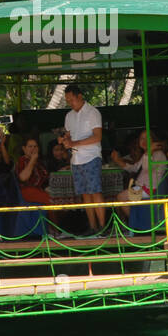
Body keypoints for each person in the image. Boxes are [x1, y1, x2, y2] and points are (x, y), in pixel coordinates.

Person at [62, 83, 105, 235]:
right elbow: (68, 135)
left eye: (71, 99)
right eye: (67, 101)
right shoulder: (69, 116)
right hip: (76, 159)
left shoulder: (93, 112)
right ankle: (92, 227)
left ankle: (102, 227)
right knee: (85, 194)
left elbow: (97, 136)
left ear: (80, 96)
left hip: (91, 157)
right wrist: (65, 139)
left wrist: (74, 143)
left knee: (95, 192)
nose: (70, 103)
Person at [110, 128, 168, 218]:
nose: (144, 141)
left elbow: (147, 167)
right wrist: (118, 161)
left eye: (147, 138)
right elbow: (134, 168)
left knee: (121, 197)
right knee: (120, 198)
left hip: (149, 189)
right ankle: (136, 223)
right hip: (143, 187)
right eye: (141, 138)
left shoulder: (158, 154)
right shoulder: (147, 154)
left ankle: (135, 223)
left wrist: (149, 152)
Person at [16, 136, 51, 205]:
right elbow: (23, 178)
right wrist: (32, 160)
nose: (33, 149)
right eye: (30, 146)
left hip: (41, 190)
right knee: (52, 201)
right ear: (24, 149)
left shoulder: (39, 161)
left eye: (35, 146)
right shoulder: (22, 160)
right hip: (28, 191)